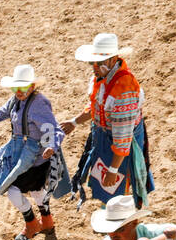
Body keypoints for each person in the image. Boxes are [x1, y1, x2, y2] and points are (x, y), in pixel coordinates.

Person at [0, 64, 73, 240]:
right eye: (15, 87)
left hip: (37, 158)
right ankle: (47, 221)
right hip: (24, 155)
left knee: (13, 190)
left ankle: (31, 223)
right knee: (35, 189)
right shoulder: (14, 102)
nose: (18, 91)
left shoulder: (38, 104)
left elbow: (54, 129)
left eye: (23, 87)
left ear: (32, 87)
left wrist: (52, 146)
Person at [61, 33, 154, 207]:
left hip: (120, 142)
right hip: (105, 135)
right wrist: (75, 122)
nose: (94, 67)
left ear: (113, 60)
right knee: (107, 185)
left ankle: (119, 216)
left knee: (118, 185)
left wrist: (112, 169)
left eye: (99, 63)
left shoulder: (123, 91)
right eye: (92, 63)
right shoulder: (101, 78)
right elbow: (97, 107)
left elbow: (123, 138)